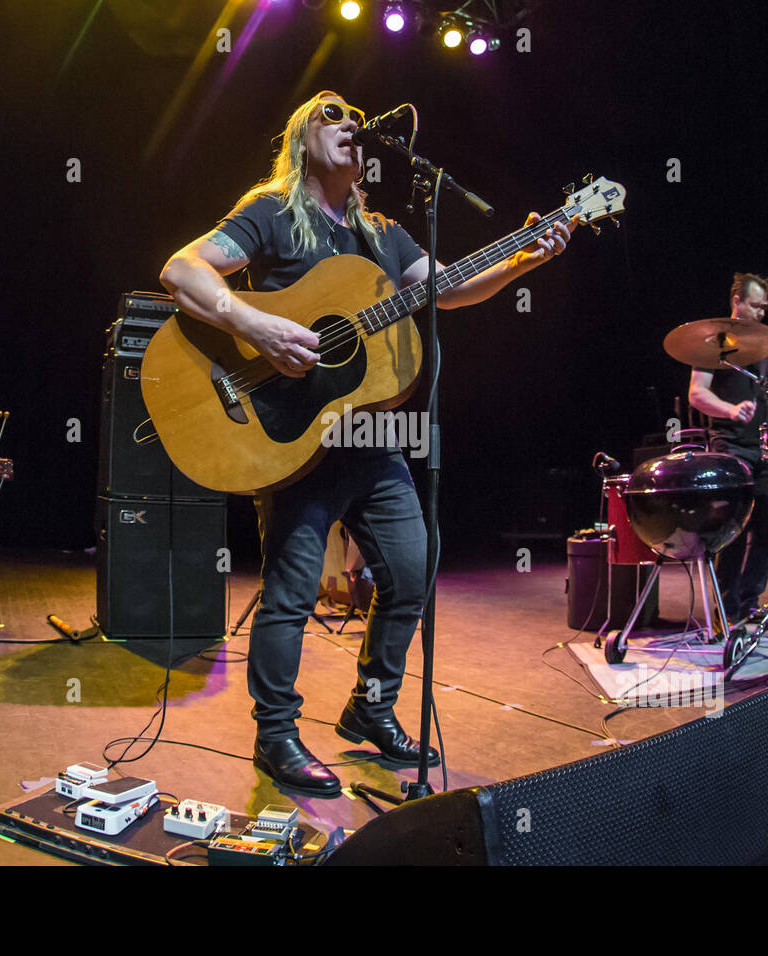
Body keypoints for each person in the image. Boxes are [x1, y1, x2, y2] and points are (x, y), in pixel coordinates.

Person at [159, 91, 576, 796]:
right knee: (291, 592)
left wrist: (525, 258)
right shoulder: (269, 212)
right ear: (299, 141)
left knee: (413, 573)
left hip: (370, 435)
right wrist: (256, 325)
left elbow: (446, 290)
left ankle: (371, 705)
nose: (350, 122)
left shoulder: (384, 233)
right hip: (289, 432)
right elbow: (182, 271)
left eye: (354, 115)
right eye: (330, 114)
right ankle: (277, 735)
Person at [687, 273, 768, 624]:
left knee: (767, 526)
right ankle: (725, 607)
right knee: (733, 530)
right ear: (737, 302)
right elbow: (697, 393)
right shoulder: (714, 340)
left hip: (767, 445)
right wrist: (730, 410)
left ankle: (749, 601)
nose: (762, 312)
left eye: (765, 306)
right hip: (730, 444)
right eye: (756, 305)